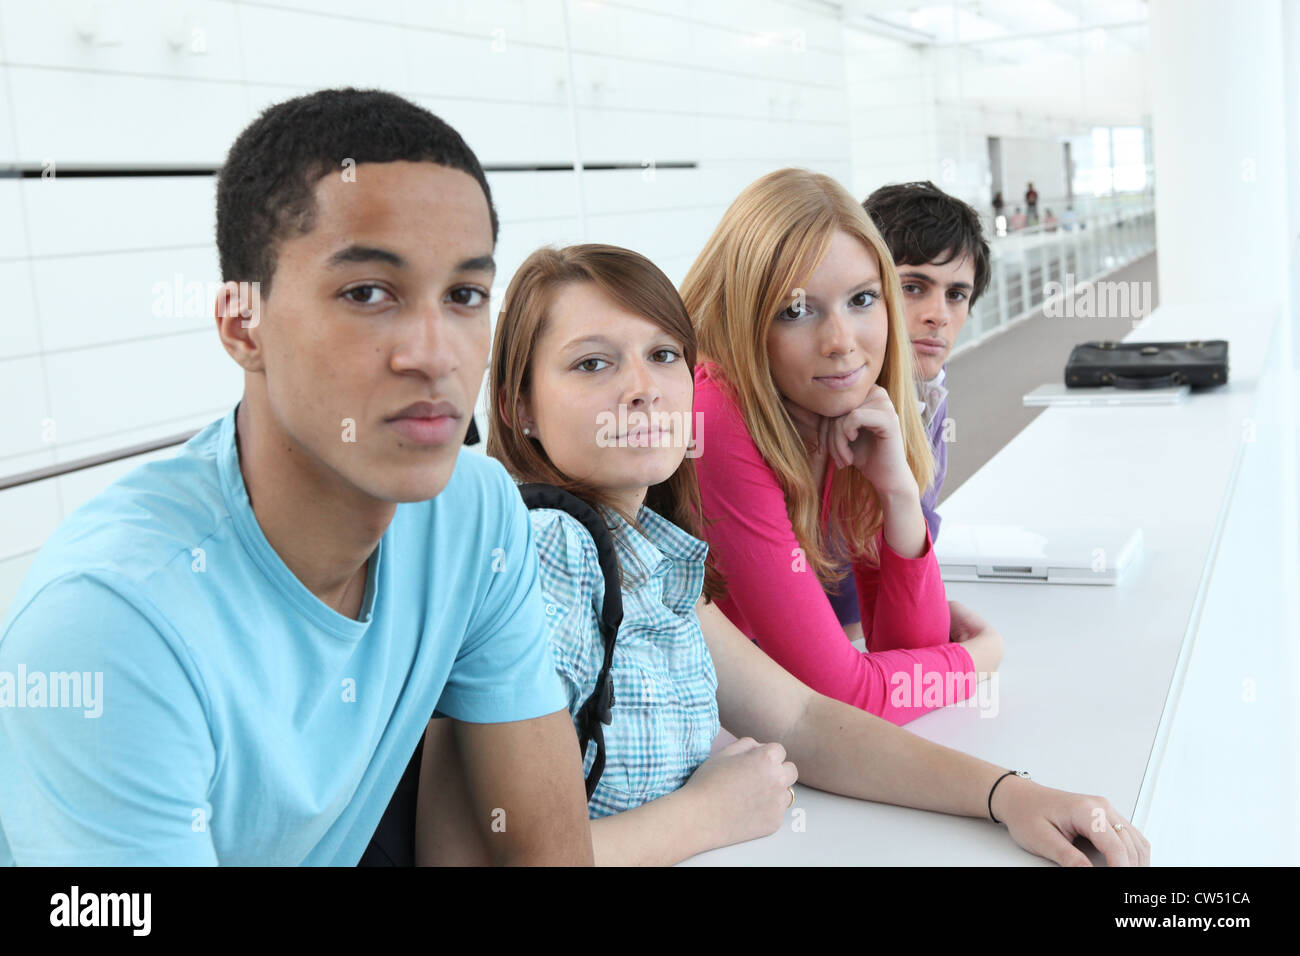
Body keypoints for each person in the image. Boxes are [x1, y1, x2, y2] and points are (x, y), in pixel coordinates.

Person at [0, 88, 593, 866]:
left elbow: (542, 855)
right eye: (368, 293)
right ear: (242, 325)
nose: (436, 353)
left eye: (464, 295)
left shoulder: (473, 515)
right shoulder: (113, 625)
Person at [416, 241, 1150, 868]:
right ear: (517, 408)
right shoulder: (551, 552)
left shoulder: (642, 553)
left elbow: (799, 718)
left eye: (663, 355)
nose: (642, 389)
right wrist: (705, 815)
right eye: (592, 365)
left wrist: (1009, 795)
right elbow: (470, 859)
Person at [681, 168, 1000, 723]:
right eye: (796, 311)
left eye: (861, 299)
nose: (841, 343)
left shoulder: (846, 407)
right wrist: (978, 660)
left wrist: (897, 492)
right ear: (746, 318)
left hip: (737, 728)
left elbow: (907, 650)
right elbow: (838, 698)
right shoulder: (715, 418)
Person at [814, 181, 990, 642]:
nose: (939, 315)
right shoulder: (826, 402)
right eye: (913, 287)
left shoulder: (928, 392)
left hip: (869, 645)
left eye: (957, 294)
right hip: (802, 668)